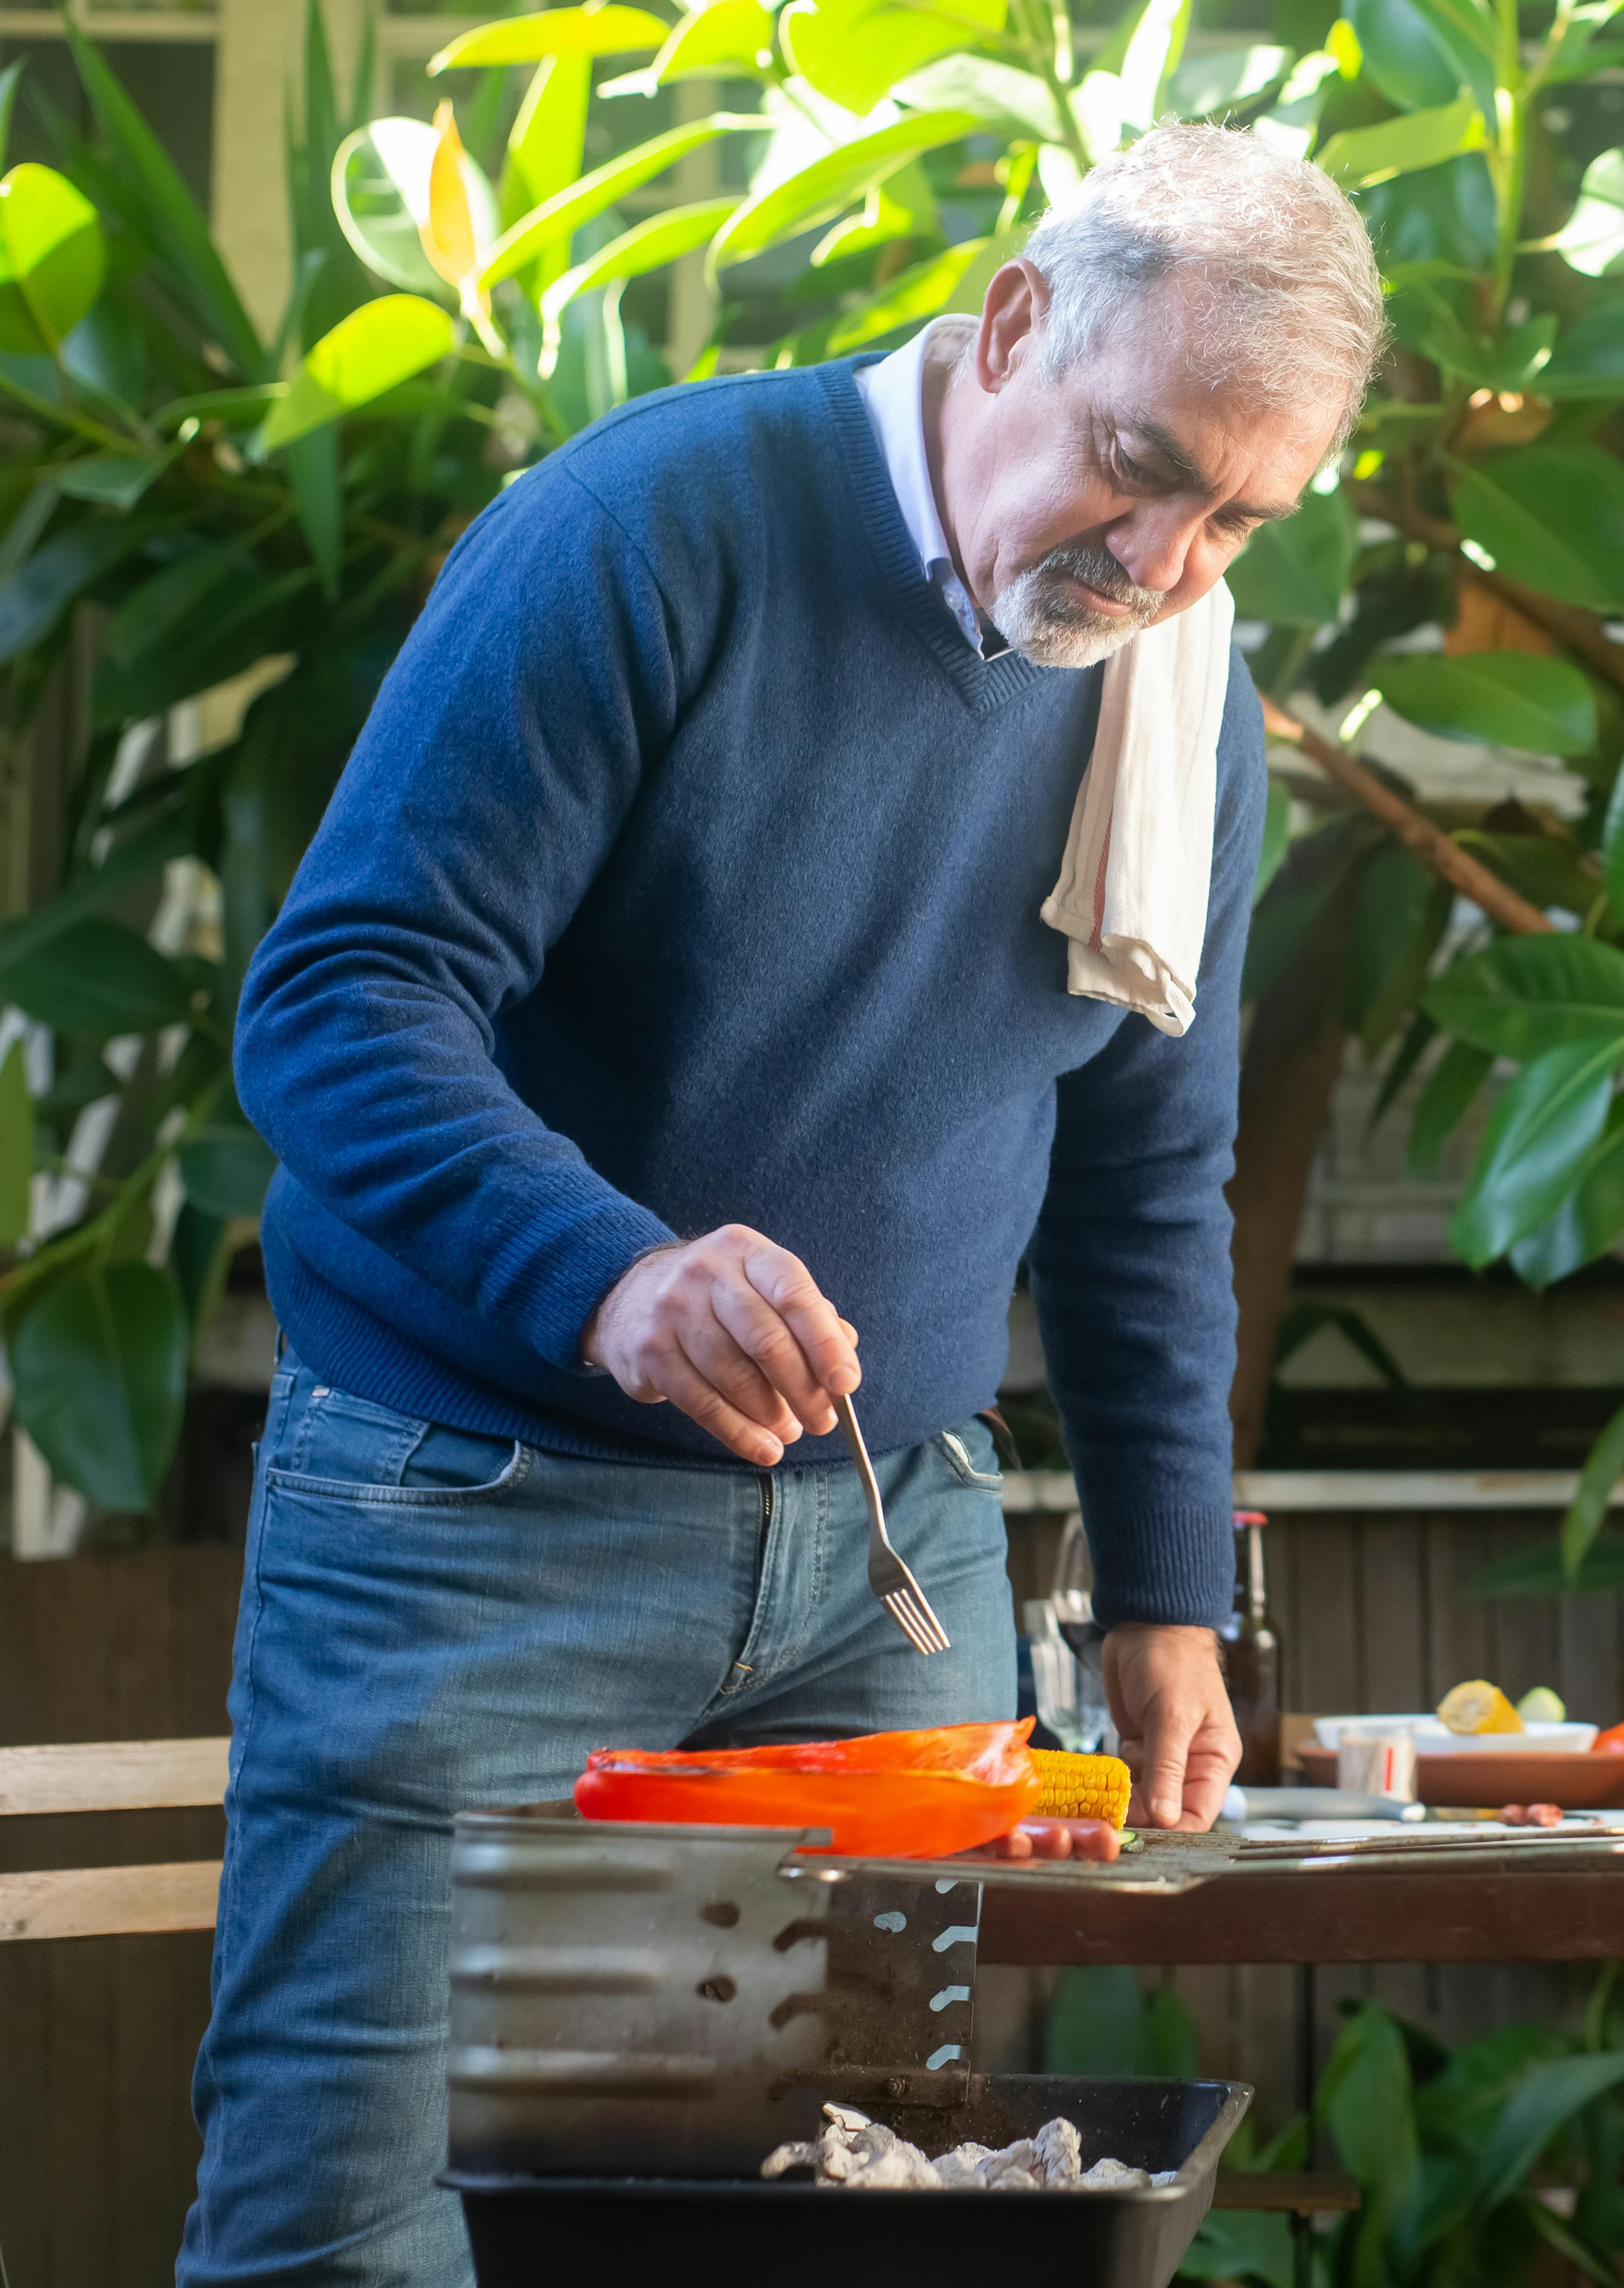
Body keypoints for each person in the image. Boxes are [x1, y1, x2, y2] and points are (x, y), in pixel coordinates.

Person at [181, 127, 1383, 2286]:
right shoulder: (646, 529)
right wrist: (613, 1275)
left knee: (833, 2245)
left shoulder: (1181, 694)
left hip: (890, 1563)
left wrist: (1165, 1591)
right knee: (348, 2239)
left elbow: (1144, 1171)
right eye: (1138, 465)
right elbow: (340, 1000)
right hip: (480, 1515)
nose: (1163, 560)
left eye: (1236, 519)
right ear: (1011, 325)